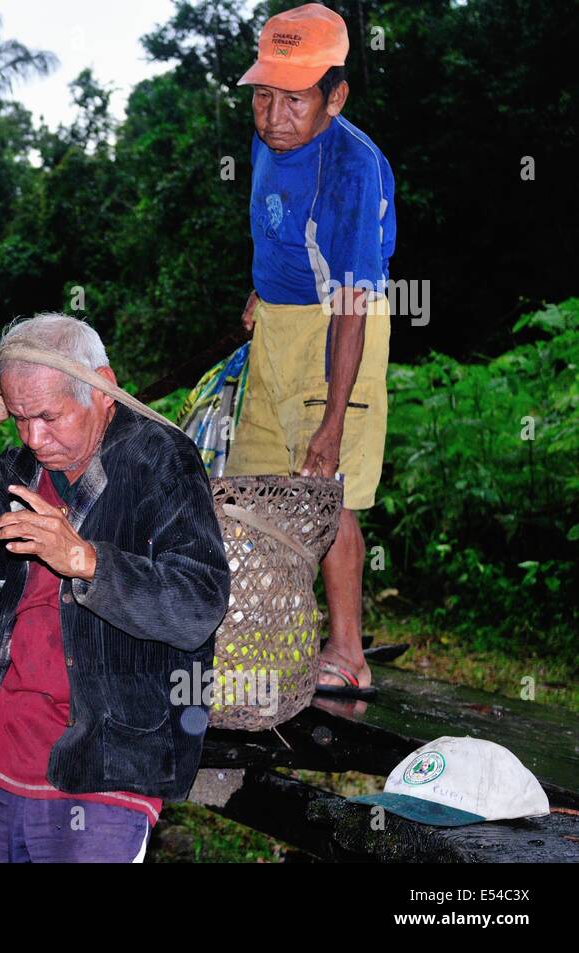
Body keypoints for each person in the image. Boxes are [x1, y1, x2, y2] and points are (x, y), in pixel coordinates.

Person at [0, 313, 230, 863]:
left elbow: (198, 604)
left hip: (107, 756)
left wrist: (85, 560)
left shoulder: (161, 459)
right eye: (18, 418)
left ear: (102, 387)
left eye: (49, 417)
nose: (35, 439)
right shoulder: (24, 466)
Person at [224, 3, 396, 699]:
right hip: (277, 327)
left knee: (329, 491)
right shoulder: (271, 142)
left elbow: (351, 303)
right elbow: (280, 233)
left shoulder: (355, 168)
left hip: (342, 328)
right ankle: (265, 643)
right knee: (251, 488)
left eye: (295, 99)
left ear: (336, 96)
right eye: (263, 96)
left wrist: (331, 424)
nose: (274, 116)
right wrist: (260, 293)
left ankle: (348, 652)